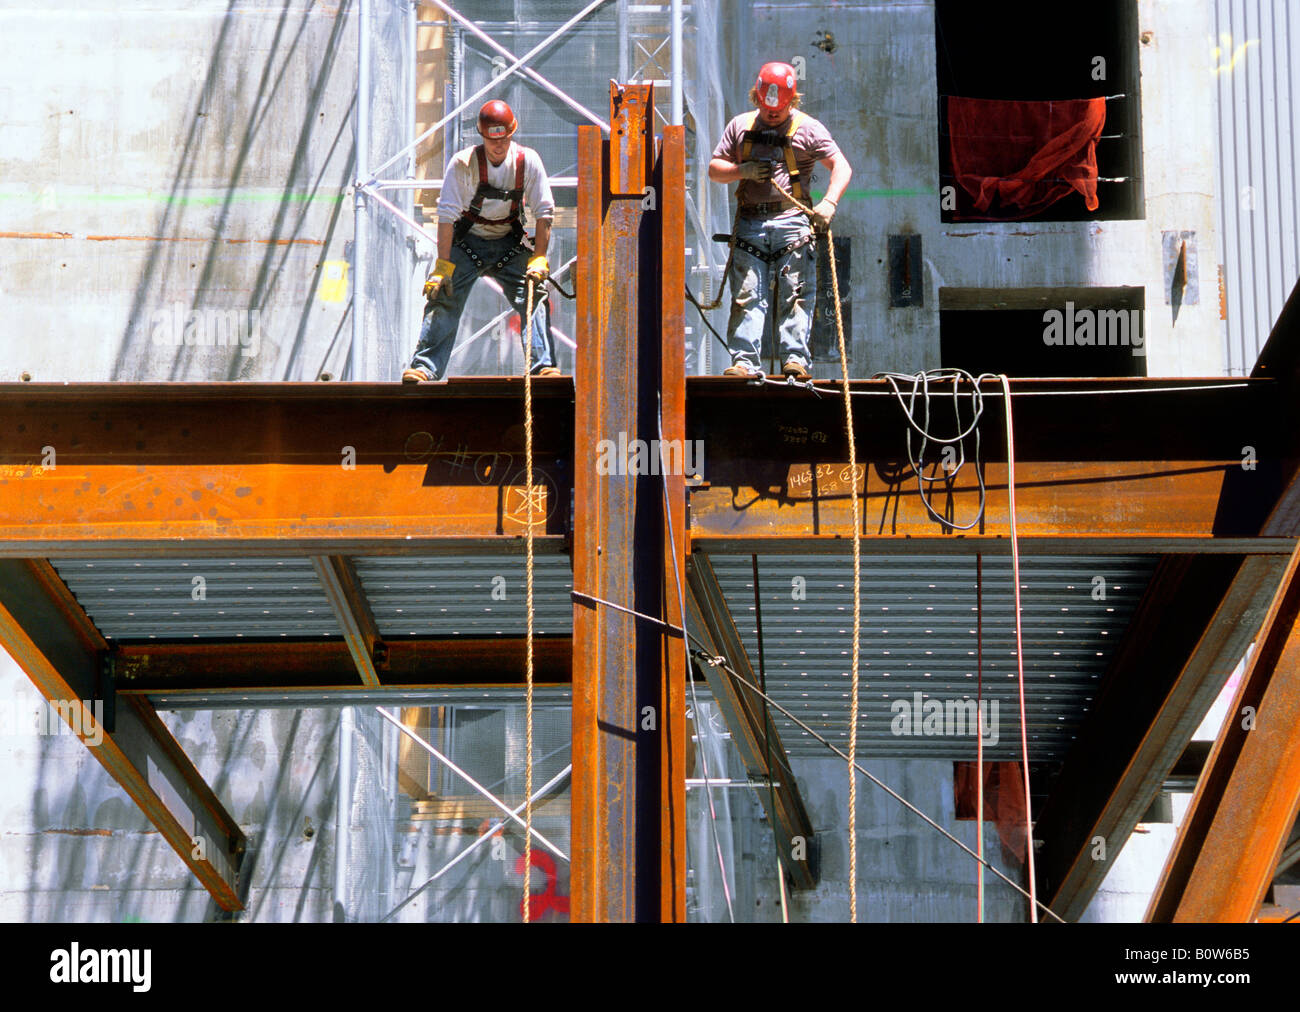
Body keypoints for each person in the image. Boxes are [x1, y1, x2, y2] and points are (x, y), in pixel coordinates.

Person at [708, 62, 852, 380]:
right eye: (767, 108)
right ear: (757, 98)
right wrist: (741, 171)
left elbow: (841, 166)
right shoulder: (740, 127)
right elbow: (714, 169)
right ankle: (745, 362)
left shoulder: (808, 129)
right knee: (747, 295)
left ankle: (795, 359)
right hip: (750, 224)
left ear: (791, 101)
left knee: (796, 292)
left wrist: (829, 203)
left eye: (779, 108)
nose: (772, 114)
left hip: (793, 223)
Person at [402, 100, 559, 382]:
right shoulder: (463, 164)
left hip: (509, 245)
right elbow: (447, 216)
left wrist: (539, 257)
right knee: (443, 294)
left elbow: (544, 211)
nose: (498, 146)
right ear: (483, 136)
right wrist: (442, 267)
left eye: (504, 139)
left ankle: (542, 367)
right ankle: (424, 366)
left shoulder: (528, 162)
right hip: (467, 244)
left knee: (534, 294)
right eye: (491, 140)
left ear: (511, 134)